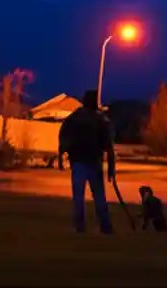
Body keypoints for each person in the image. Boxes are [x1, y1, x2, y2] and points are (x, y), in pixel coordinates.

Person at [59, 89, 116, 234]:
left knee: (78, 197)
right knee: (99, 197)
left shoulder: (74, 118)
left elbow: (63, 137)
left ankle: (80, 227)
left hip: (78, 161)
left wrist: (61, 157)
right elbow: (109, 146)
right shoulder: (100, 120)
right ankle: (105, 226)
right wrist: (111, 168)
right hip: (94, 162)